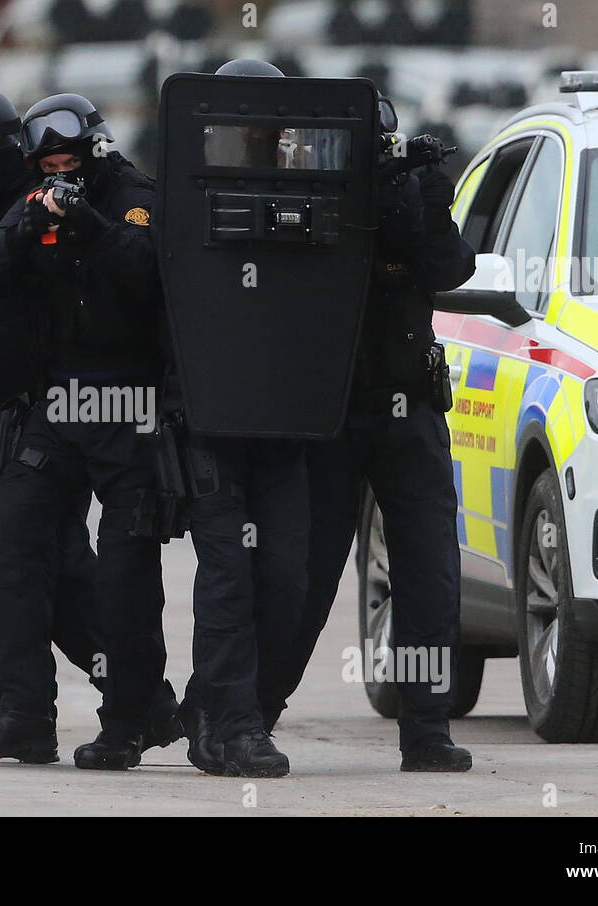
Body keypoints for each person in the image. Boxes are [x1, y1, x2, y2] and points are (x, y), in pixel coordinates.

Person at [0, 87, 179, 763]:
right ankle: (24, 712)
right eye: (46, 165)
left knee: (122, 577)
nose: (59, 175)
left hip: (128, 408)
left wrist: (93, 229)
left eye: (67, 161)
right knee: (7, 545)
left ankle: (127, 725)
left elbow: (150, 277)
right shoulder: (29, 201)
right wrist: (29, 224)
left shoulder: (131, 196)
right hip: (56, 407)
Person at [263, 88, 477, 773]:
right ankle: (256, 715)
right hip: (329, 413)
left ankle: (426, 730)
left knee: (429, 575)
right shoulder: (309, 197)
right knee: (307, 576)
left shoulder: (404, 195)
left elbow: (449, 269)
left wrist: (424, 203)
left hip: (407, 408)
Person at [175, 59, 309, 780]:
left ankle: (219, 707)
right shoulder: (183, 197)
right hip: (211, 423)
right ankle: (234, 724)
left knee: (285, 582)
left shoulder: (312, 198)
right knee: (229, 579)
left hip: (286, 424)